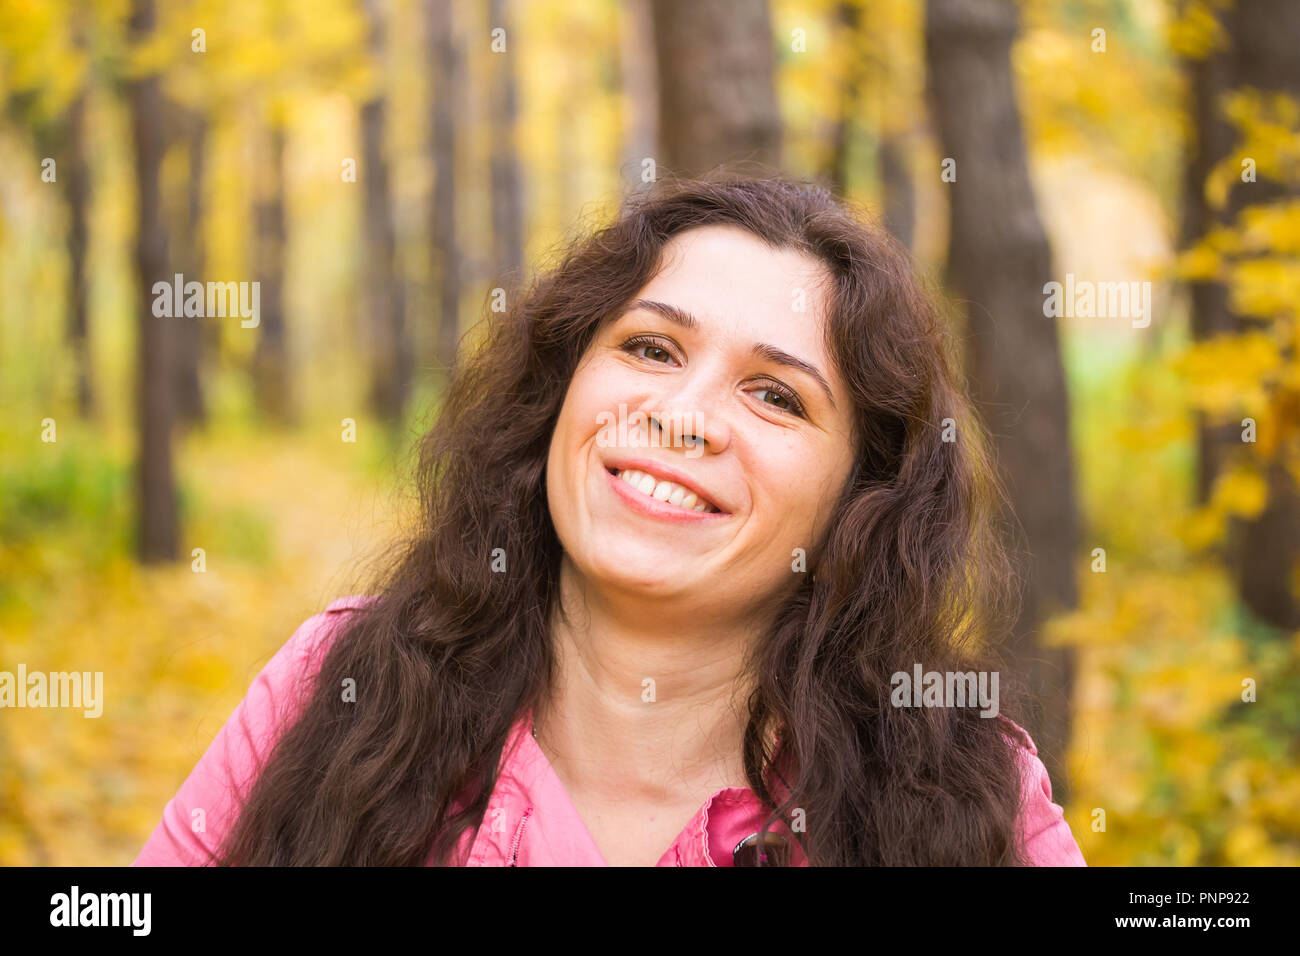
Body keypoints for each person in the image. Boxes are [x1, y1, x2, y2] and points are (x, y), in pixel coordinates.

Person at [133, 172, 1087, 866]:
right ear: (563, 385)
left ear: (861, 498)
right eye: (651, 347)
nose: (681, 416)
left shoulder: (962, 789)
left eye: (776, 397)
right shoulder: (338, 685)